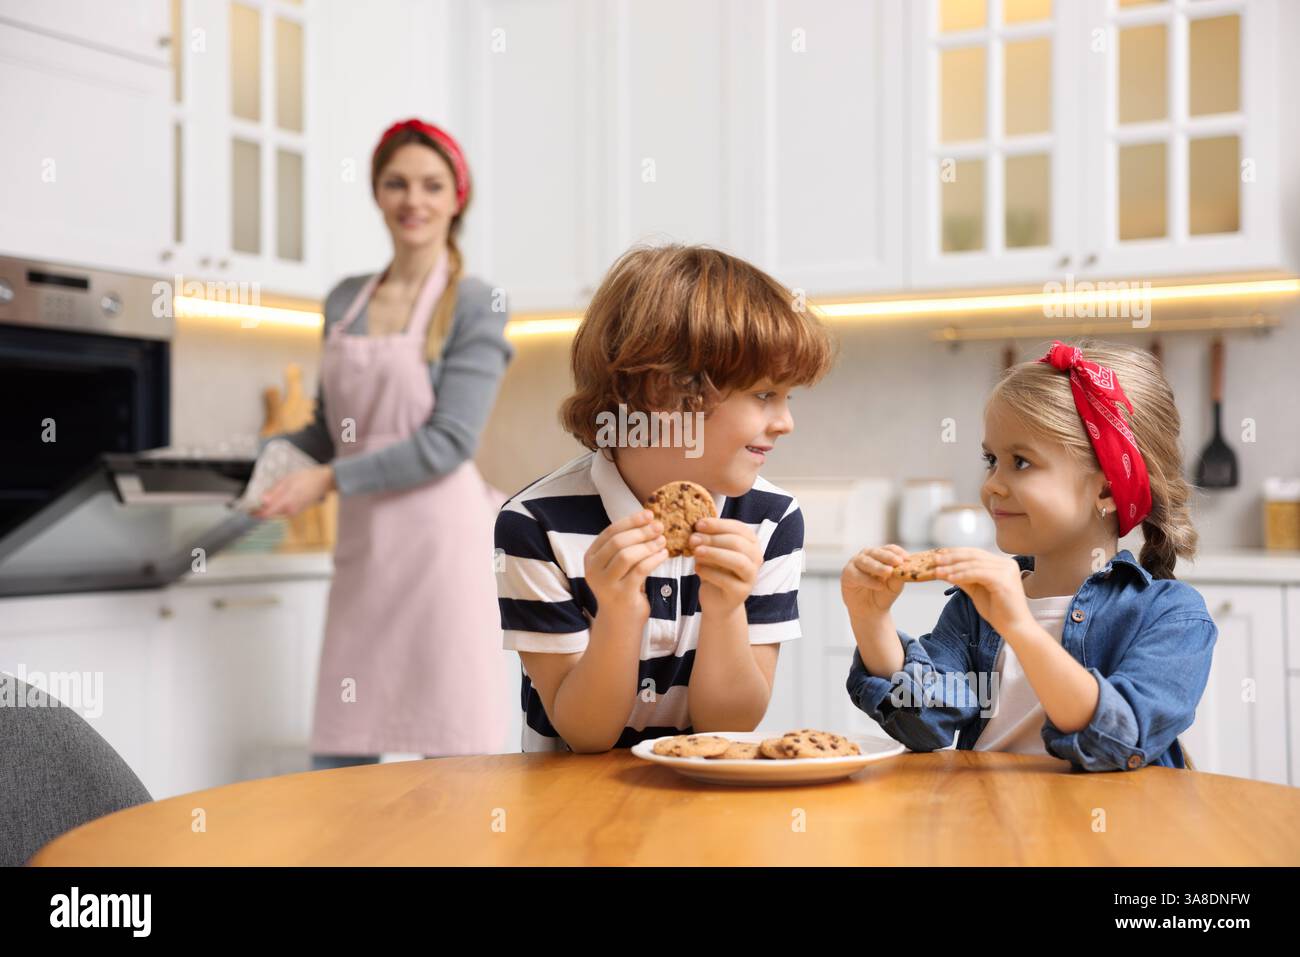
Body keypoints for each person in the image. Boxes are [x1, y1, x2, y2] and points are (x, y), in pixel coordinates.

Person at [493, 244, 836, 752]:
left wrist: (725, 610)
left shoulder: (771, 521)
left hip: (702, 803)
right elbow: (585, 736)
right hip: (567, 811)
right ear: (665, 392)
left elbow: (730, 727)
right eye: (765, 395)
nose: (785, 422)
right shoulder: (535, 524)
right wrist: (620, 615)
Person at [257, 119, 513, 768]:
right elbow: (328, 428)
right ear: (376, 193)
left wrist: (330, 480)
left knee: (455, 750)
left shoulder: (475, 304)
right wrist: (246, 460)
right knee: (343, 745)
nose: (413, 200)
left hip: (442, 549)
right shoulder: (345, 299)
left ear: (458, 197)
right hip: (369, 550)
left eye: (432, 185)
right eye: (396, 183)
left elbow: (448, 441)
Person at [843, 340, 1216, 770]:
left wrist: (1019, 626)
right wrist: (871, 622)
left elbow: (1116, 740)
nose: (992, 485)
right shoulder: (974, 609)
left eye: (1020, 462)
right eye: (991, 459)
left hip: (1107, 832)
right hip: (989, 824)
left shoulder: (1171, 617)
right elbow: (926, 723)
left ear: (1108, 489)